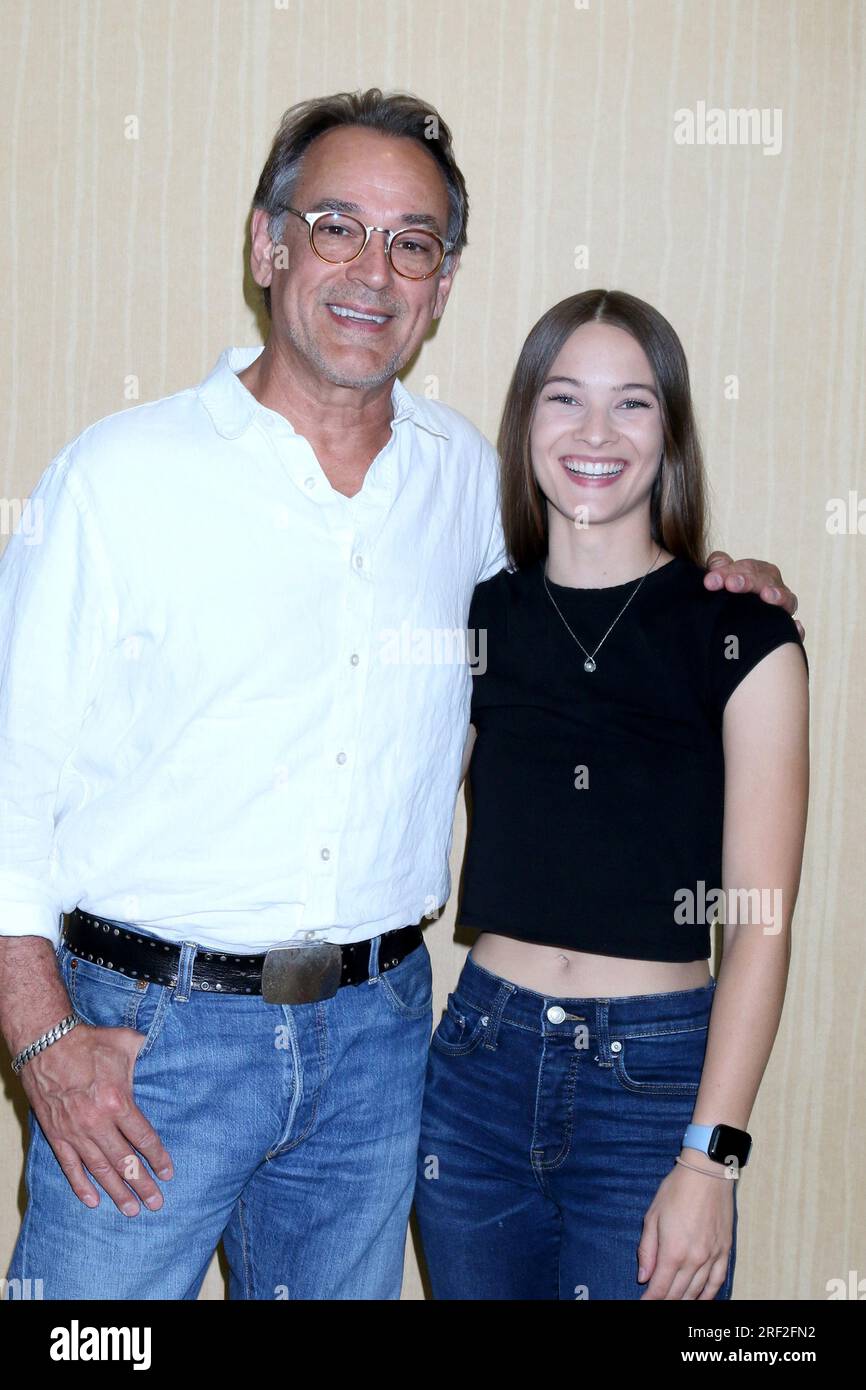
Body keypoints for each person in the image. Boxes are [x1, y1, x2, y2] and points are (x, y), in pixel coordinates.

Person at [0, 89, 798, 1301]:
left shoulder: (468, 490)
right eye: (335, 226)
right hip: (146, 1043)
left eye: (411, 241)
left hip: (381, 1042)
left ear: (443, 280)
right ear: (268, 245)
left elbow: (606, 584)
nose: (372, 269)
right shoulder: (121, 479)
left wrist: (732, 584)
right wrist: (43, 1040)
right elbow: (9, 772)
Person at [414, 289, 809, 1301]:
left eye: (631, 403)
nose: (595, 433)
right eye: (563, 398)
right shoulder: (473, 619)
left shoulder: (740, 632)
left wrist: (707, 1157)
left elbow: (757, 923)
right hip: (478, 1072)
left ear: (669, 430)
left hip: (657, 1086)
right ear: (525, 423)